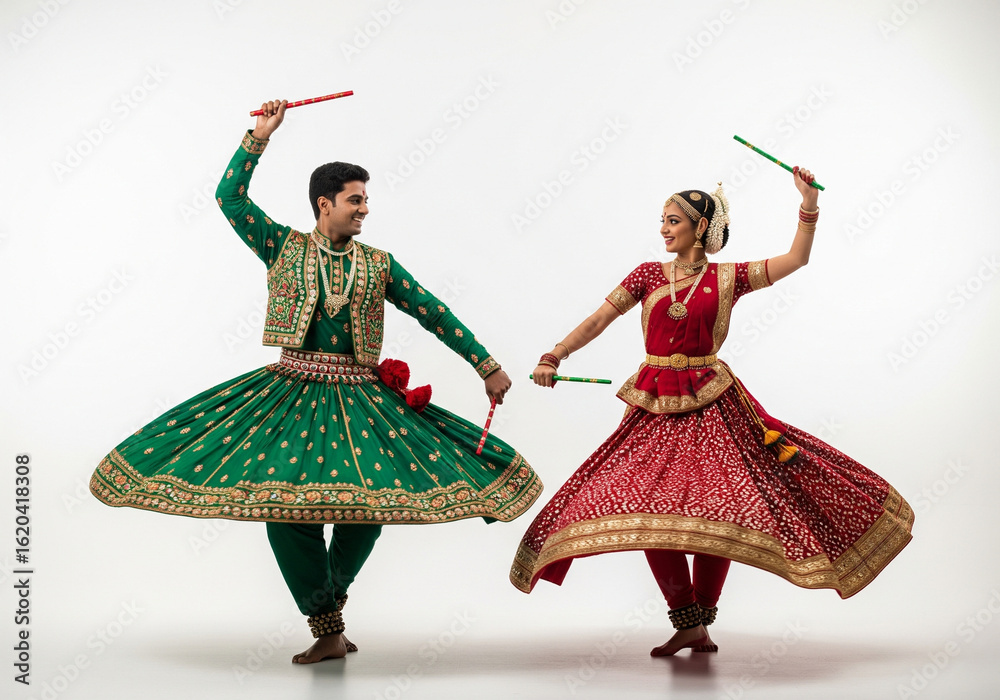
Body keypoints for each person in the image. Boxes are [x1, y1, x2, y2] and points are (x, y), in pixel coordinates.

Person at [91, 100, 542, 664]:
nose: (364, 210)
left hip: (360, 398)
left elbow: (432, 309)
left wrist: (485, 364)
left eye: (366, 201)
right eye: (356, 200)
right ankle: (325, 621)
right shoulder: (282, 246)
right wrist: (259, 136)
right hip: (291, 394)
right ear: (325, 204)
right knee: (283, 505)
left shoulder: (378, 264)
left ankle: (329, 609)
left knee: (373, 506)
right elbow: (229, 199)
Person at [509, 166, 913, 657]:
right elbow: (599, 318)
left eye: (673, 220)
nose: (663, 228)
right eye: (662, 219)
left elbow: (796, 260)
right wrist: (555, 354)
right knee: (645, 510)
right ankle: (687, 620)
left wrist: (808, 205)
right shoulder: (646, 275)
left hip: (714, 405)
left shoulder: (728, 278)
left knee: (714, 509)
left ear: (700, 227)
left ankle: (699, 622)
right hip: (654, 404)